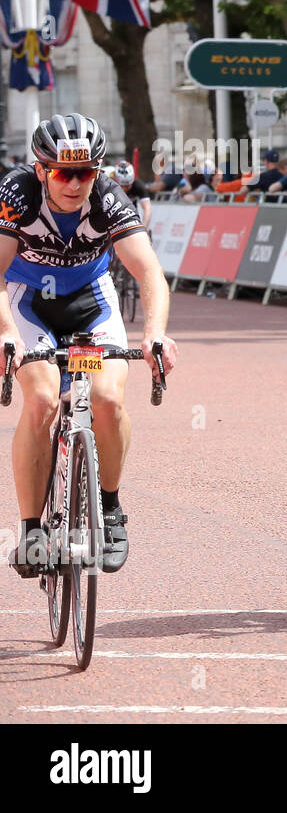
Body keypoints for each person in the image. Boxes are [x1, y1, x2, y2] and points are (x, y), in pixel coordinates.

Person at [1, 114, 179, 577]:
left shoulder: (106, 197)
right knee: (41, 400)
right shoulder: (17, 193)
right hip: (28, 301)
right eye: (64, 172)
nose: (77, 183)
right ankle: (31, 528)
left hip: (89, 304)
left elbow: (149, 274)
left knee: (105, 398)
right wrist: (4, 334)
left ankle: (112, 509)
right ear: (41, 169)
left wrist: (155, 332)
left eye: (87, 172)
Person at [112, 161, 153, 229]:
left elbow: (147, 208)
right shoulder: (110, 186)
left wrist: (144, 227)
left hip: (132, 217)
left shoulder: (138, 185)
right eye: (122, 186)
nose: (125, 189)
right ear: (116, 181)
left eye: (128, 185)